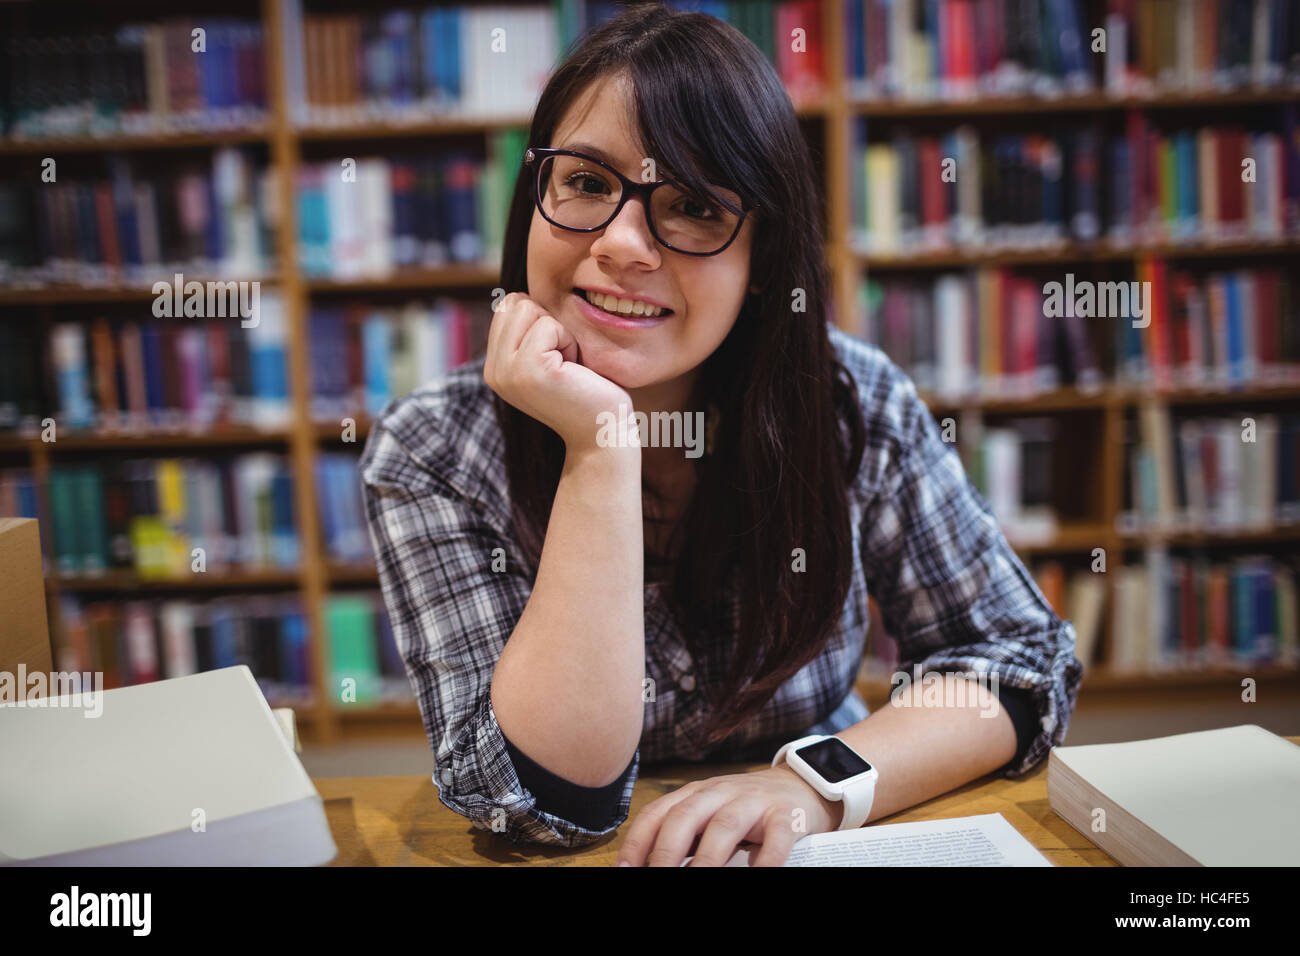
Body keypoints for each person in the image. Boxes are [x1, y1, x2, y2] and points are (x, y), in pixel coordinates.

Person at [359, 2, 1082, 867]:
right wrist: (599, 449)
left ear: (761, 257)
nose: (623, 245)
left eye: (694, 206)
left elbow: (1019, 659)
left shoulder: (851, 400)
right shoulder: (435, 449)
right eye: (586, 183)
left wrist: (814, 784)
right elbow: (544, 803)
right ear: (533, 199)